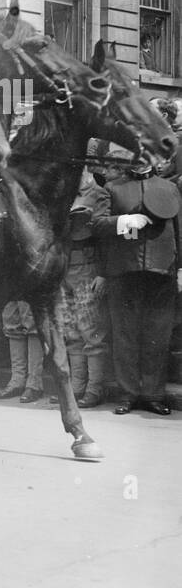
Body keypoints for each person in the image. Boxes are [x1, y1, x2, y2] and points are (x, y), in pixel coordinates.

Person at [92, 146, 182, 416]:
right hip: (123, 270)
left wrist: (181, 269)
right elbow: (95, 225)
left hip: (162, 270)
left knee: (158, 335)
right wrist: (124, 220)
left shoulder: (169, 188)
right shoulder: (113, 188)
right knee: (125, 335)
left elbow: (180, 230)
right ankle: (128, 394)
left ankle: (154, 395)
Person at [62, 168, 112, 408]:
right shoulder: (64, 189)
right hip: (64, 265)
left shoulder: (98, 193)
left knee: (91, 332)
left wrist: (103, 272)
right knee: (71, 332)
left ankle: (94, 389)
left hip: (87, 264)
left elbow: (104, 234)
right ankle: (77, 386)